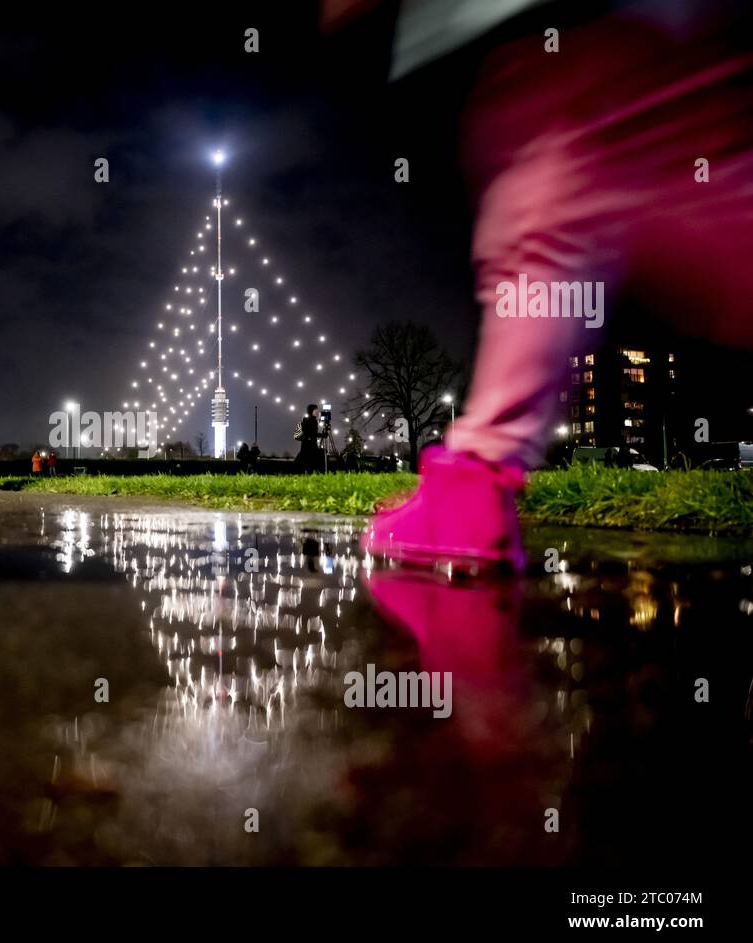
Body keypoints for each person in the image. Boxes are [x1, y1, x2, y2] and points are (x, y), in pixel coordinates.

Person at [355, 1, 753, 570]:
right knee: (710, 203)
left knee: (543, 219)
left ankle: (474, 488)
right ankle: (474, 486)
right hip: (669, 30)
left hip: (576, 35)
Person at [294, 405, 322, 472]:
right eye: (315, 410)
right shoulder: (306, 422)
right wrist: (307, 438)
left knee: (306, 465)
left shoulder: (312, 421)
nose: (317, 412)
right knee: (308, 465)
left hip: (308, 446)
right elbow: (311, 434)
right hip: (308, 447)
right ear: (311, 411)